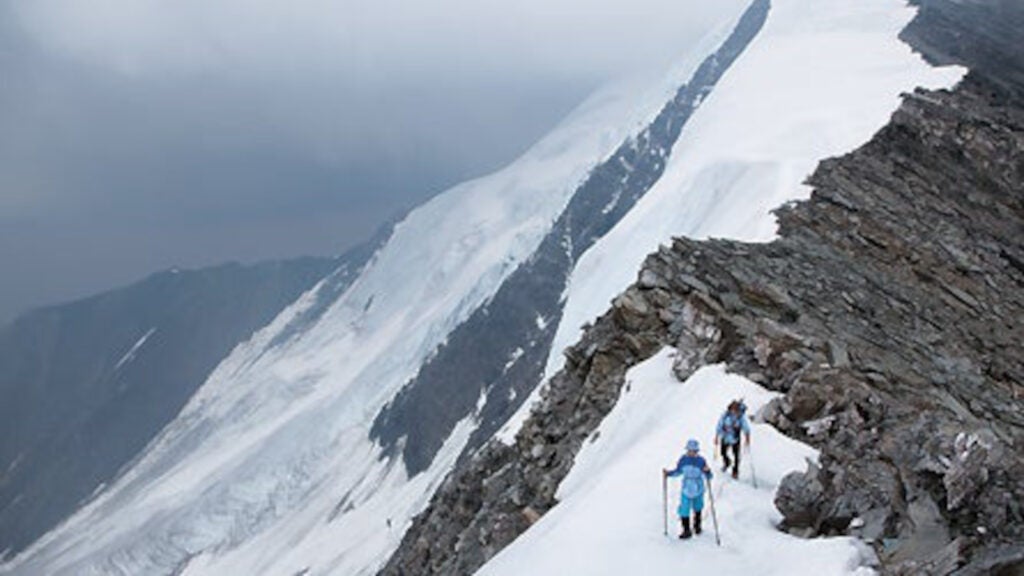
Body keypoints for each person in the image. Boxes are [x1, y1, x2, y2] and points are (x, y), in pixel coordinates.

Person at [663, 439, 713, 539]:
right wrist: (668, 474)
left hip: (698, 488)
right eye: (689, 450)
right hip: (686, 488)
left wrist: (708, 471)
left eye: (694, 451)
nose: (691, 453)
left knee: (698, 507)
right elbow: (678, 471)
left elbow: (709, 476)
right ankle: (686, 530)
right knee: (684, 509)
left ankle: (697, 526)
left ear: (697, 451)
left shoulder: (701, 461)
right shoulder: (683, 460)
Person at [715, 400, 751, 479]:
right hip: (725, 437)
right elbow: (719, 425)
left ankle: (735, 471)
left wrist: (747, 438)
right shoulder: (725, 416)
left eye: (736, 410)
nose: (734, 411)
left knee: (736, 456)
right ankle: (727, 462)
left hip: (735, 438)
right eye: (733, 409)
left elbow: (746, 428)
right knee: (723, 452)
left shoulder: (741, 417)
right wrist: (717, 437)